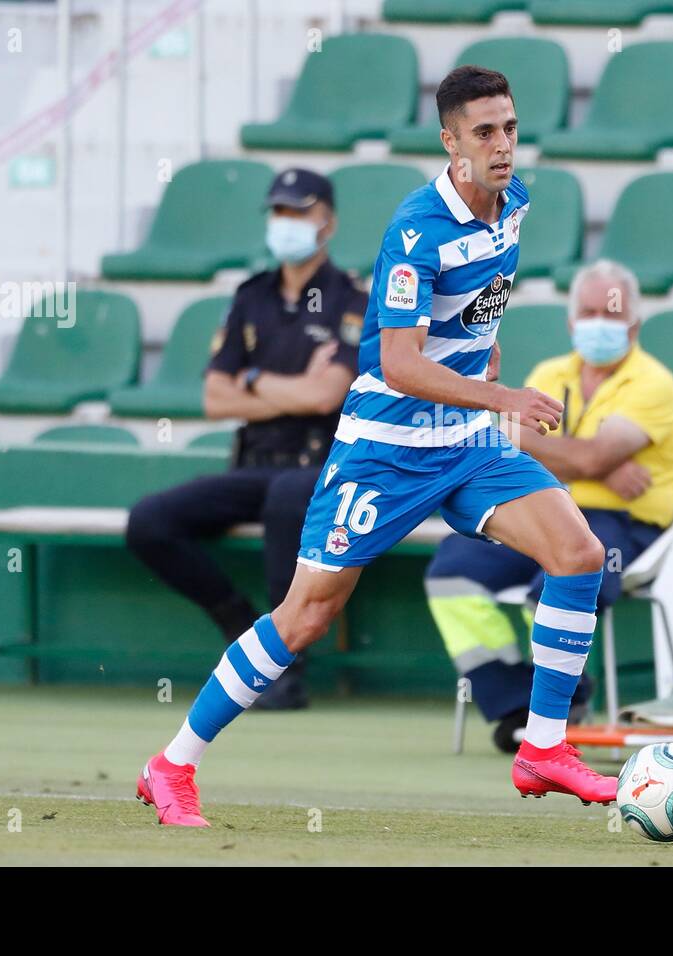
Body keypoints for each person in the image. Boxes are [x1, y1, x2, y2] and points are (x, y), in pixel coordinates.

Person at [135, 65, 623, 826]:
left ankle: (543, 749)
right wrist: (504, 396)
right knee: (303, 619)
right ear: (450, 141)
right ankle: (171, 767)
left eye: (511, 127)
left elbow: (471, 309)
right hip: (385, 453)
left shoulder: (516, 204)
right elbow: (397, 363)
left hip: (464, 444)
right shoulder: (415, 230)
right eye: (485, 132)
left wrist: (480, 352)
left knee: (579, 554)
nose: (503, 145)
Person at [125, 168, 365, 710]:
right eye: (279, 212)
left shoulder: (351, 298)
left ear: (327, 221)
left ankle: (284, 665)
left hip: (321, 465)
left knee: (287, 498)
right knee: (150, 522)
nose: (287, 223)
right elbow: (215, 398)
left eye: (298, 212)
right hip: (253, 462)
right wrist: (287, 387)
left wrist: (253, 379)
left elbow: (326, 397)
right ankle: (237, 621)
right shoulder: (251, 295)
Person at [425, 259, 673, 752]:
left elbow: (573, 453)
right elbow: (508, 434)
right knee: (451, 572)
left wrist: (576, 454)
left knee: (550, 584)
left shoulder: (655, 383)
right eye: (589, 311)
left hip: (624, 527)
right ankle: (513, 706)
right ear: (570, 322)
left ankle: (567, 702)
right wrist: (597, 462)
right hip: (546, 504)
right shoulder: (550, 372)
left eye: (612, 313)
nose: (600, 322)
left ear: (635, 322)